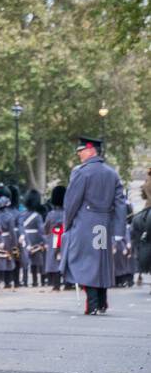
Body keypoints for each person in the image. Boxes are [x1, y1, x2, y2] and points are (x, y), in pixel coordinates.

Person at [62, 135, 125, 315]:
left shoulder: (81, 172)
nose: (79, 154)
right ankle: (102, 302)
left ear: (90, 150)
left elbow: (72, 202)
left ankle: (92, 304)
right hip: (104, 224)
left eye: (81, 151)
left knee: (84, 263)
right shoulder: (112, 173)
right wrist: (118, 231)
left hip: (84, 224)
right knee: (101, 262)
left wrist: (67, 223)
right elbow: (120, 204)